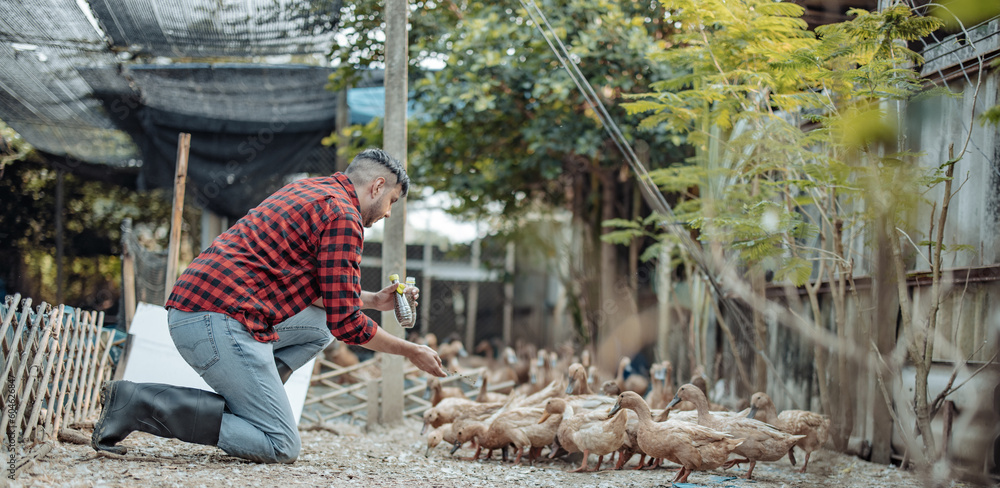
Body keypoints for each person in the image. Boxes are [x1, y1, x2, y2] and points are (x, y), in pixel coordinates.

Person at [92, 148, 447, 463]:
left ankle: (256, 397)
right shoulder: (344, 217)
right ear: (376, 186)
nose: (387, 213)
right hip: (218, 320)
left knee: (318, 327)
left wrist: (372, 300)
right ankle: (137, 403)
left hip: (199, 309)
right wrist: (411, 350)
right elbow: (348, 325)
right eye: (392, 202)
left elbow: (322, 297)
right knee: (280, 445)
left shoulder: (308, 190)